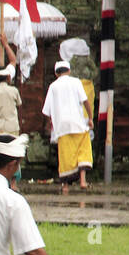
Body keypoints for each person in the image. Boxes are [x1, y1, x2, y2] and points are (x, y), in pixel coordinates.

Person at [42, 60, 92, 193]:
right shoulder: (76, 82)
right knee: (83, 151)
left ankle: (65, 185)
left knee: (65, 156)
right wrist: (91, 118)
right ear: (69, 71)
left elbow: (46, 111)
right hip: (78, 123)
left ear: (56, 73)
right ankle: (82, 180)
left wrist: (49, 125)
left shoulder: (53, 86)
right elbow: (85, 101)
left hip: (62, 126)